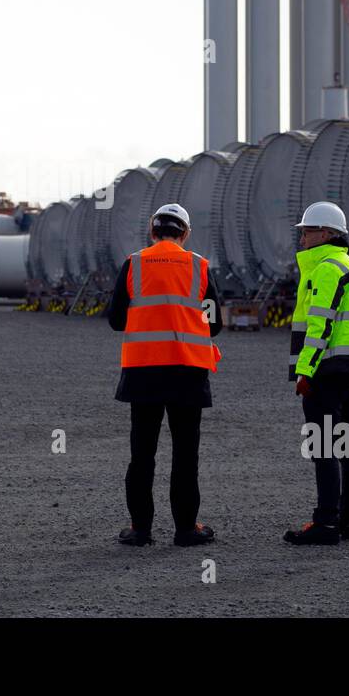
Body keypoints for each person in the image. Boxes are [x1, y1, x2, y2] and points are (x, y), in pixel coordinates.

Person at [106, 203, 223, 547]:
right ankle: (186, 529)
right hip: (188, 372)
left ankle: (140, 530)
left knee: (142, 454)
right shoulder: (199, 267)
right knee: (186, 455)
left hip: (143, 373)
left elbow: (115, 320)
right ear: (185, 233)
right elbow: (214, 323)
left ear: (152, 231)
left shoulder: (134, 263)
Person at [283, 201, 349, 546]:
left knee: (323, 447)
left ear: (327, 234)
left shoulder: (325, 268)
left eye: (307, 230)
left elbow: (318, 326)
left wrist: (304, 372)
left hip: (326, 369)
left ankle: (326, 523)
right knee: (347, 446)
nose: (302, 237)